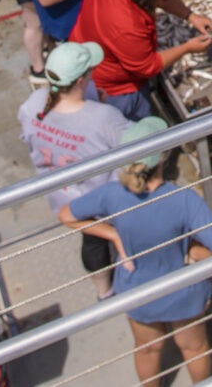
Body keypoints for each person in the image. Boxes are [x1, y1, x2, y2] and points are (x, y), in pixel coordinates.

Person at [60, 117, 212, 387]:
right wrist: (197, 255)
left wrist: (114, 234)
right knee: (195, 348)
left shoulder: (110, 194)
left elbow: (66, 215)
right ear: (164, 157)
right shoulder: (183, 199)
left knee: (147, 349)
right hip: (182, 291)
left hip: (136, 291)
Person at [19, 41, 131, 298]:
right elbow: (138, 148)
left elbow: (29, 137)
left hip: (63, 198)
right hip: (103, 200)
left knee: (92, 242)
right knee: (110, 237)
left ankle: (103, 292)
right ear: (82, 80)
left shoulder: (33, 104)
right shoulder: (103, 118)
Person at [71, 0, 212, 121]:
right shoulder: (127, 25)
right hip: (112, 87)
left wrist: (190, 15)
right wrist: (186, 48)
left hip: (83, 41)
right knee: (134, 128)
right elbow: (147, 66)